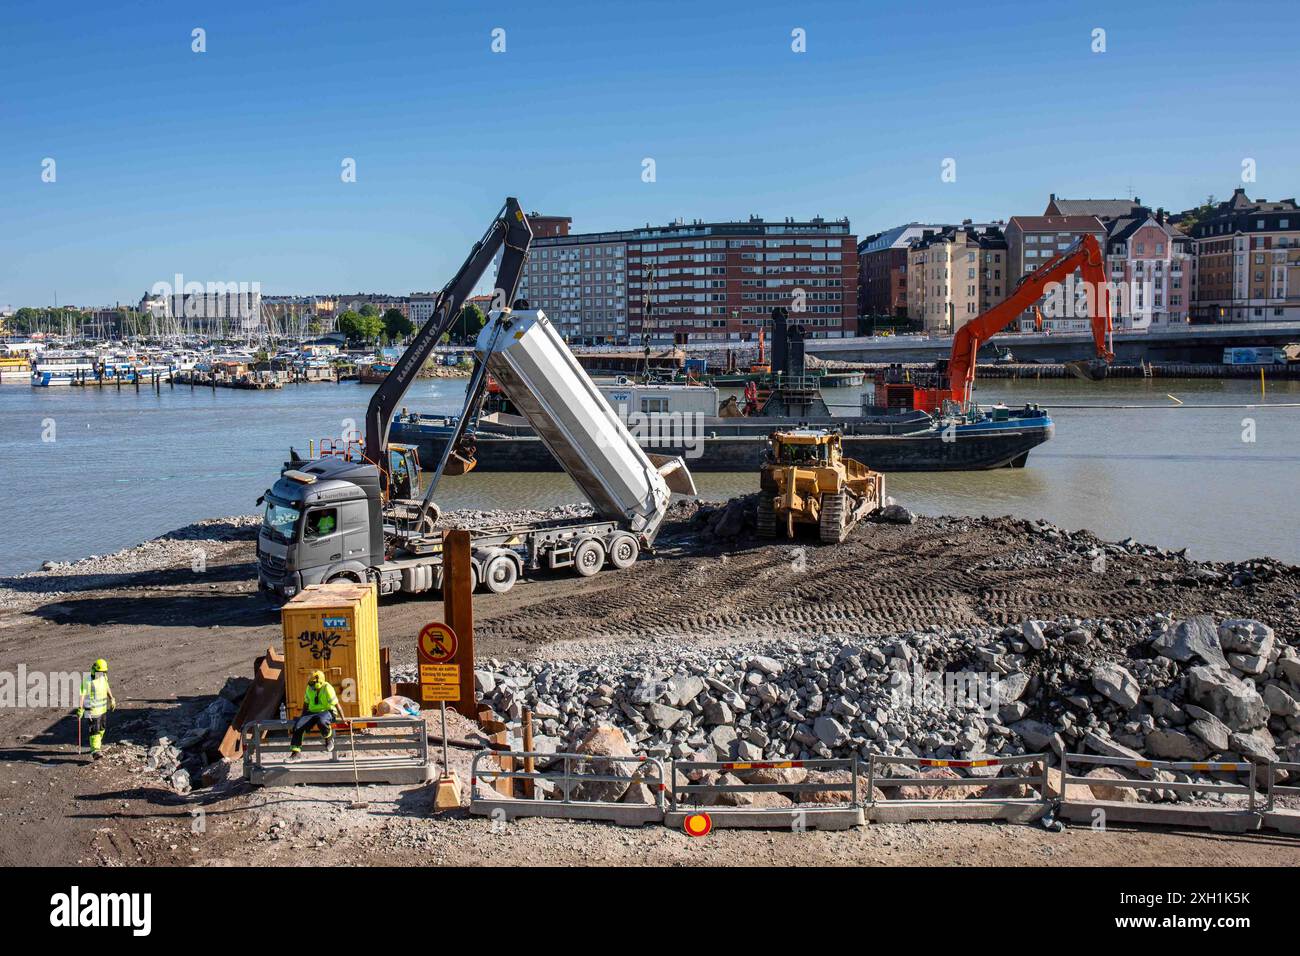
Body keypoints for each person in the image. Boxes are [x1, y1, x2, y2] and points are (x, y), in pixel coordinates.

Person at [289, 670, 342, 758]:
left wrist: (343, 719)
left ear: (319, 682)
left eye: (313, 683)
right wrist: (303, 718)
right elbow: (306, 704)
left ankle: (328, 739)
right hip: (313, 712)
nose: (311, 685)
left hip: (327, 710)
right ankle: (296, 753)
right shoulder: (309, 688)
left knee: (322, 721)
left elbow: (337, 705)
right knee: (298, 726)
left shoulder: (327, 688)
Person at [77, 659, 116, 760]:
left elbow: (106, 687)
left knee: (102, 730)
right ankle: (95, 751)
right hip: (91, 711)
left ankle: (97, 746)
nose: (102, 674)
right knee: (95, 731)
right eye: (100, 672)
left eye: (104, 672)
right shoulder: (87, 680)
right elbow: (82, 695)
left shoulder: (104, 677)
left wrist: (111, 698)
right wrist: (80, 708)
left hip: (102, 710)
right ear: (94, 670)